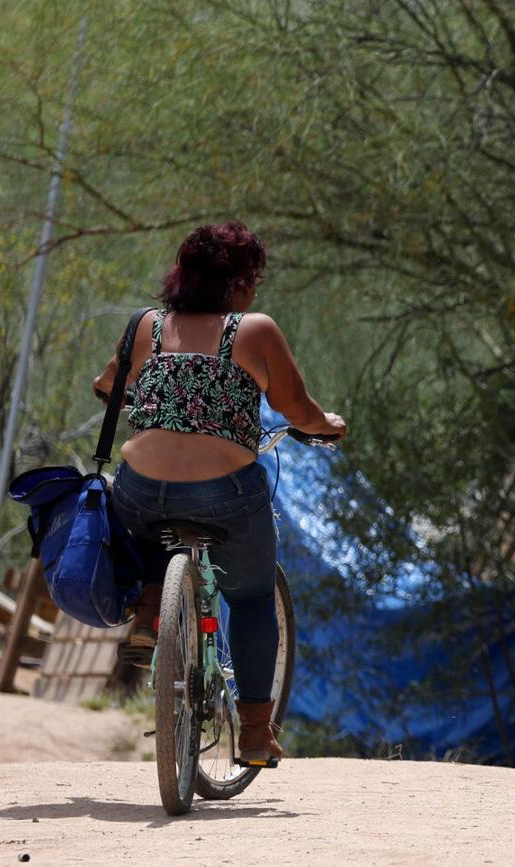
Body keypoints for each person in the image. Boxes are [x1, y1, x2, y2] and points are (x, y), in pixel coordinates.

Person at [93, 221, 344, 766]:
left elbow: (108, 386)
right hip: (223, 493)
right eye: (251, 279)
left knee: (149, 516)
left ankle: (150, 608)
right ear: (237, 283)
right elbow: (298, 411)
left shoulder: (147, 326)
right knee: (251, 596)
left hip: (140, 488)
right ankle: (253, 731)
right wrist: (327, 425)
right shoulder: (254, 330)